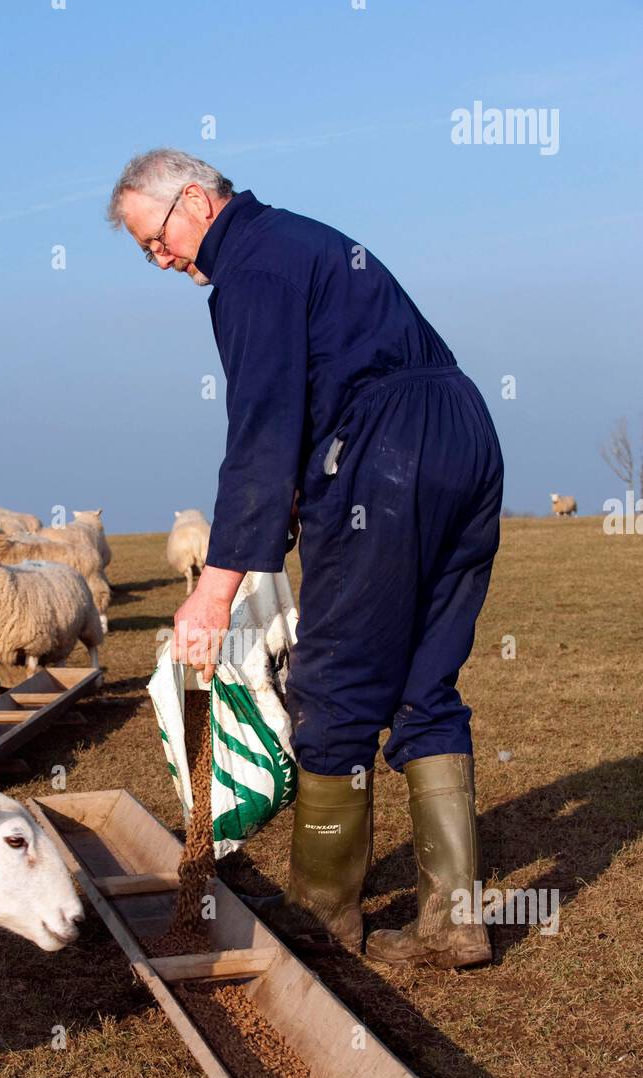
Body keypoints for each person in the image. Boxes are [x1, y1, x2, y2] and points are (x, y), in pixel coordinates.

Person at [107, 149, 504, 970]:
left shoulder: (248, 271)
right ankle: (452, 918)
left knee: (334, 684)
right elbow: (304, 411)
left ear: (194, 200)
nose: (161, 259)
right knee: (426, 683)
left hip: (384, 453)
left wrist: (212, 594)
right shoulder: (301, 242)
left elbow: (259, 436)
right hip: (461, 433)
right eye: (147, 252)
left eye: (157, 240)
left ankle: (321, 919)